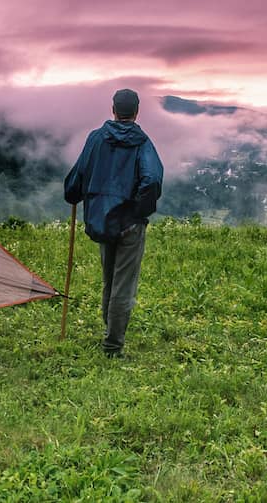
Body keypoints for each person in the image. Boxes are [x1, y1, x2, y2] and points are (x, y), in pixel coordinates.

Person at [64, 89, 163, 357]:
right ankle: (113, 345)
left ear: (113, 109)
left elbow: (78, 175)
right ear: (137, 111)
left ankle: (110, 329)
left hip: (102, 220)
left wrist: (72, 193)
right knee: (123, 284)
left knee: (109, 278)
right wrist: (138, 211)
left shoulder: (96, 139)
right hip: (130, 224)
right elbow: (152, 179)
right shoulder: (142, 143)